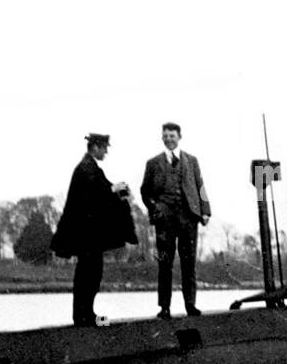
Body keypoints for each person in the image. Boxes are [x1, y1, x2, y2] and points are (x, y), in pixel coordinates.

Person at [51, 133, 137, 326]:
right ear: (95, 147)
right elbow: (93, 196)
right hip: (86, 236)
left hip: (89, 236)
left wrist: (116, 190)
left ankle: (86, 314)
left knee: (91, 273)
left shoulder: (90, 167)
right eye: (104, 148)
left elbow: (100, 192)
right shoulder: (86, 168)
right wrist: (113, 190)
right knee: (88, 274)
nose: (106, 152)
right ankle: (83, 316)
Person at [140, 122, 210, 318]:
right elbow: (145, 191)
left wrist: (205, 211)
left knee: (189, 263)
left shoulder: (192, 161)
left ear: (179, 137)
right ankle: (165, 307)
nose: (169, 139)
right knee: (165, 263)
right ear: (162, 138)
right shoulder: (153, 163)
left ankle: (190, 304)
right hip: (165, 221)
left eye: (172, 135)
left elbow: (200, 186)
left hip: (188, 217)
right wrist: (155, 208)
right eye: (166, 136)